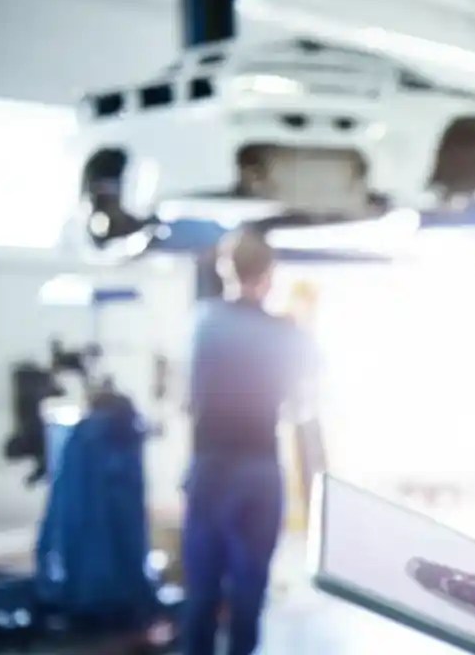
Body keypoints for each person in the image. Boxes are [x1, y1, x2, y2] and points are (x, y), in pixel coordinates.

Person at [182, 229, 318, 655]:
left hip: (209, 468)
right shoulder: (286, 334)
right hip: (258, 469)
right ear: (270, 276)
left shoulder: (203, 321)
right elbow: (303, 402)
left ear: (226, 270)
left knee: (201, 590)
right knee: (250, 589)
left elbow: (188, 397)